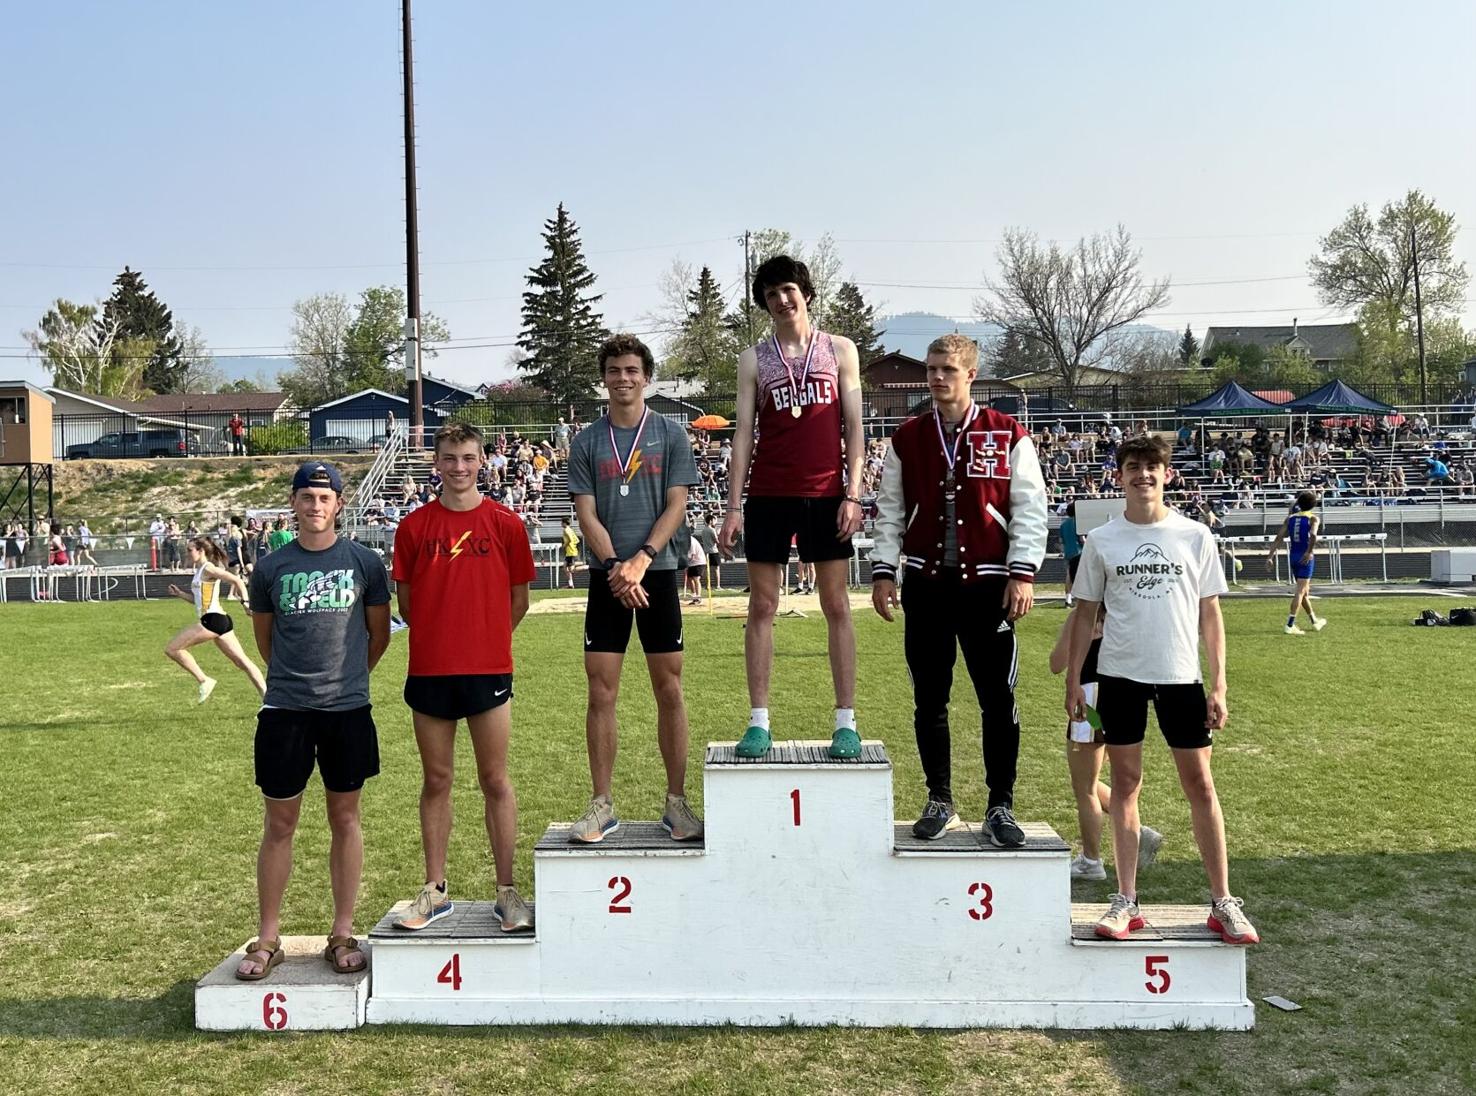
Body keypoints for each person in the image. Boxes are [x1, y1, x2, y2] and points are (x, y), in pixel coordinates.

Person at [1064, 434, 1258, 945]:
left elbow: (1210, 613)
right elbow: (1084, 613)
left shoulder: (1194, 536)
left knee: (1201, 786)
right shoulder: (1103, 541)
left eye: (1152, 467)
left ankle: (1223, 902)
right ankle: (1126, 901)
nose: (1142, 475)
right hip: (1120, 676)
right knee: (1125, 785)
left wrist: (1219, 682)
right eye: (1133, 466)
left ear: (1167, 475)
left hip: (1181, 677)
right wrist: (1073, 682)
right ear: (1119, 476)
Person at [870, 334, 1047, 845]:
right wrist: (884, 571)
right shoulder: (908, 437)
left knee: (997, 697)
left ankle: (1001, 804)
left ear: (971, 374)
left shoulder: (1007, 433)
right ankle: (939, 797)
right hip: (926, 584)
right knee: (930, 698)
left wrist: (1022, 572)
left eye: (947, 369)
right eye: (931, 369)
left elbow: (1029, 509)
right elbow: (891, 509)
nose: (936, 377)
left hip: (988, 586)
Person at [236, 461, 392, 981]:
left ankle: (343, 932)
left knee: (345, 819)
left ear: (339, 504)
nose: (315, 506)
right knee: (279, 825)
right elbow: (265, 640)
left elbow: (378, 636)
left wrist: (347, 680)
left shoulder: (365, 563)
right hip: (285, 711)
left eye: (325, 498)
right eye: (307, 497)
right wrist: (295, 681)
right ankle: (267, 938)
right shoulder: (270, 568)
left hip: (346, 710)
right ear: (294, 503)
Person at [391, 422, 537, 933]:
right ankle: (435, 889)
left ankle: (507, 891)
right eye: (450, 457)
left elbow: (518, 601)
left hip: (488, 670)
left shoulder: (506, 523)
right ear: (437, 462)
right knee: (437, 780)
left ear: (482, 461)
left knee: (494, 779)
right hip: (430, 670)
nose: (459, 467)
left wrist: (484, 637)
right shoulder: (412, 528)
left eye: (468, 457)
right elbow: (407, 603)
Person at [718, 255, 866, 759]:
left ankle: (845, 720)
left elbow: (854, 428)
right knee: (761, 606)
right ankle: (759, 721)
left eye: (788, 290)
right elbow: (743, 434)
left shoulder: (840, 349)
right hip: (768, 493)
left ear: (805, 292)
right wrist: (733, 506)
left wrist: (853, 492)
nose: (782, 301)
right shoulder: (753, 359)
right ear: (764, 304)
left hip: (827, 495)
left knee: (837, 605)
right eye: (771, 295)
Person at [566, 334, 704, 843]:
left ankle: (677, 803)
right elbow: (586, 513)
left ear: (647, 377)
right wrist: (614, 567)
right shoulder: (586, 441)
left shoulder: (670, 435)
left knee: (669, 688)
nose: (623, 378)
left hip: (659, 571)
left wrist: (642, 559)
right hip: (609, 577)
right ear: (603, 378)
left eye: (632, 370)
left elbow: (676, 505)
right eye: (614, 370)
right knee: (601, 691)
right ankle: (601, 804)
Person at [1049, 605, 1162, 879]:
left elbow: (1056, 663)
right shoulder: (1125, 612)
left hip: (1091, 699)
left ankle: (1091, 860)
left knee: (1085, 785)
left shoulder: (1083, 614)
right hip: (1123, 699)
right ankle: (1137, 832)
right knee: (1092, 777)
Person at [164, 537, 267, 704]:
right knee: (242, 662)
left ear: (201, 551)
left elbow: (237, 580)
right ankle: (268, 700)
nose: (187, 553)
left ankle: (204, 680)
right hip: (219, 621)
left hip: (213, 620)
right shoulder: (199, 571)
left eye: (190, 550)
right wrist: (180, 594)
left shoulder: (209, 568)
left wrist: (245, 602)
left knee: (173, 649)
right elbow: (198, 600)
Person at [1266, 491, 1326, 636]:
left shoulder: (1290, 519)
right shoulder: (1313, 519)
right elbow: (1313, 535)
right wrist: (1309, 551)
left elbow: (1279, 537)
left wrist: (1270, 556)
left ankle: (1314, 621)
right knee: (1300, 591)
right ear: (1313, 505)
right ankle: (1290, 624)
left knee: (1304, 592)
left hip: (1293, 556)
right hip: (1305, 558)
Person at [1060, 502, 1084, 608]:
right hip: (1079, 552)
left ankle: (1068, 600)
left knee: (1069, 576)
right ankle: (1080, 600)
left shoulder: (1063, 524)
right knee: (1082, 577)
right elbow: (1082, 539)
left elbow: (1061, 540)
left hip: (1068, 552)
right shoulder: (1079, 522)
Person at [693, 512, 720, 591]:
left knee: (707, 569)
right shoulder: (712, 530)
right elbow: (716, 541)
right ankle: (717, 585)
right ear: (711, 521)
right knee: (716, 569)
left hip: (706, 551)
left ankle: (707, 585)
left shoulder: (703, 530)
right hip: (713, 551)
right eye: (714, 520)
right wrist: (718, 534)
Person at [560, 515, 582, 589]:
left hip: (570, 552)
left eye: (562, 522)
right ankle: (570, 584)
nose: (561, 524)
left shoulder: (566, 530)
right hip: (570, 551)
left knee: (571, 570)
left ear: (564, 523)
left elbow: (570, 539)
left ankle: (587, 567)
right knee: (565, 567)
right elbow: (577, 540)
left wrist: (564, 545)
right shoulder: (570, 529)